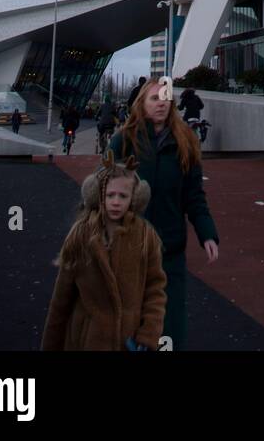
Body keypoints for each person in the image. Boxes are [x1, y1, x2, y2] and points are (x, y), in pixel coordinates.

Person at [110, 79, 219, 351]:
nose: (161, 103)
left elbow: (194, 196)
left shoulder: (186, 142)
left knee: (169, 325)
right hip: (129, 246)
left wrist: (207, 233)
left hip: (169, 248)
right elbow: (105, 189)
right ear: (142, 104)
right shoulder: (124, 140)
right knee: (128, 320)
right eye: (154, 99)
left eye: (165, 98)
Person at [41, 152, 166, 351]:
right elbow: (61, 300)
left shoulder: (145, 237)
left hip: (128, 342)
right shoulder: (81, 236)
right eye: (110, 195)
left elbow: (155, 291)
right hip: (86, 342)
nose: (116, 202)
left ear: (134, 198)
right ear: (98, 195)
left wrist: (148, 334)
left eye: (123, 196)